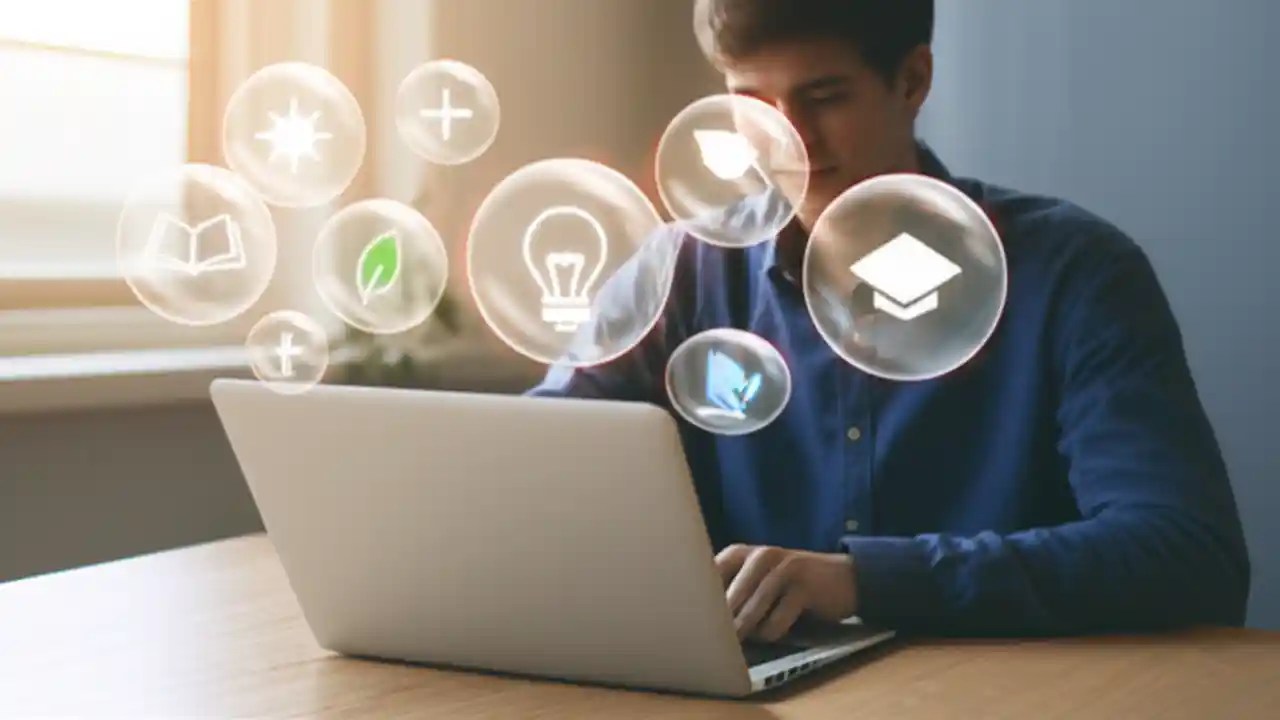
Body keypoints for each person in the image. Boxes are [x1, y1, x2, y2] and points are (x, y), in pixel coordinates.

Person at [529, 0, 1250, 639]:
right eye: (752, 107)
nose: (790, 143)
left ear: (912, 81)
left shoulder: (1074, 273)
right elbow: (531, 470)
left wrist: (863, 581)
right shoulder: (680, 271)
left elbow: (1187, 554)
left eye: (825, 97)